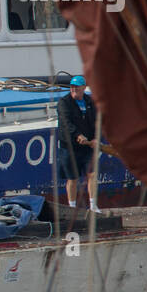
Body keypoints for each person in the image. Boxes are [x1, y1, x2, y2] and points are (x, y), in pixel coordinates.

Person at [56, 74, 100, 212]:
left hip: (87, 147)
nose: (74, 89)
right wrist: (78, 135)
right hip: (70, 147)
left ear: (84, 88)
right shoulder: (64, 102)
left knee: (92, 174)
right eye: (72, 87)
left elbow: (97, 121)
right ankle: (72, 208)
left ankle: (93, 206)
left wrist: (96, 137)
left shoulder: (90, 102)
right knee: (73, 178)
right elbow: (66, 122)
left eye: (77, 87)